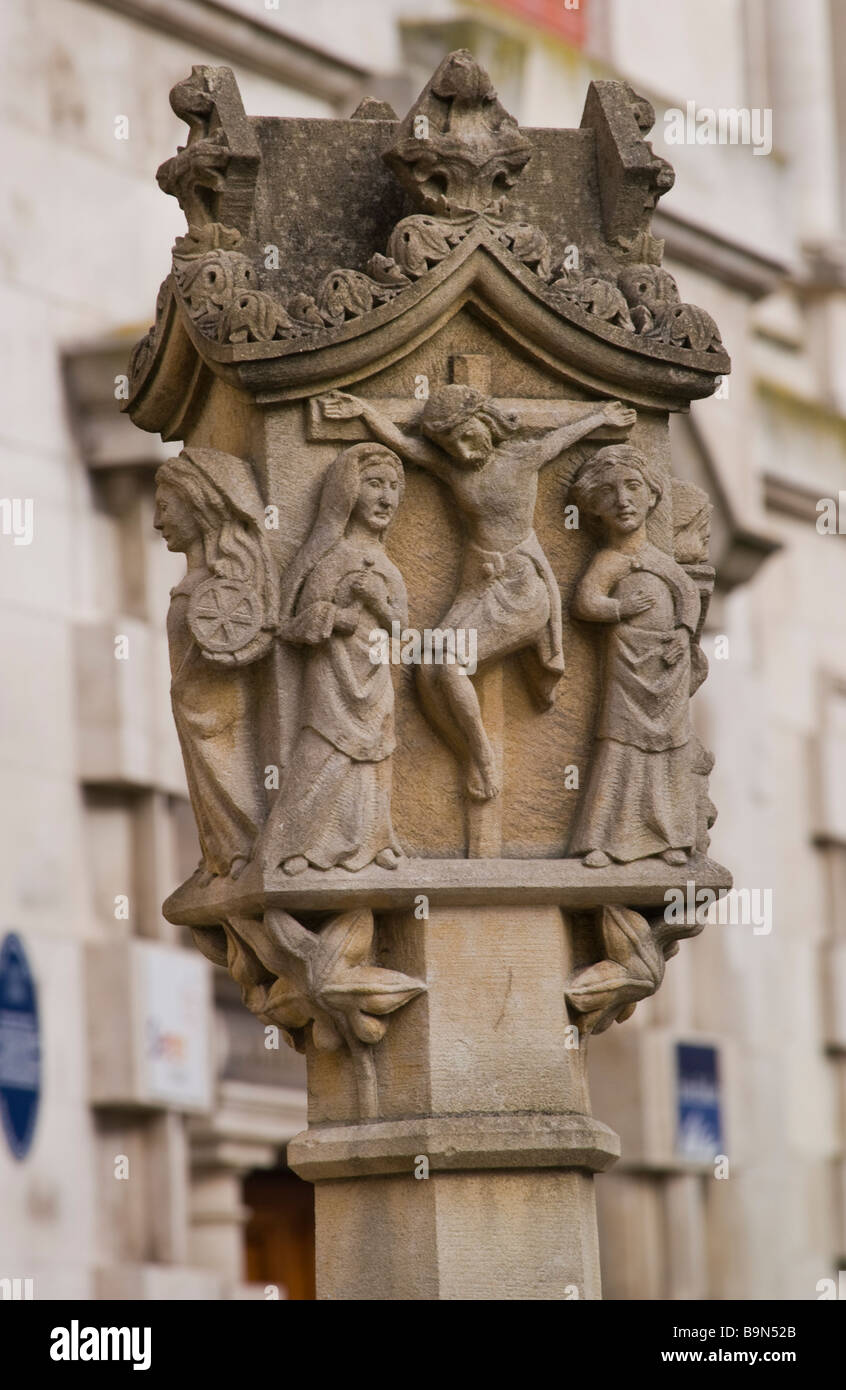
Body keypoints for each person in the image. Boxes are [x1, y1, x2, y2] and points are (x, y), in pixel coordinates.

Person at [321, 385, 634, 800]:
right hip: (477, 584)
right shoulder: (454, 469)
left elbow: (562, 436)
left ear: (485, 420)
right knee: (426, 667)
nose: (464, 450)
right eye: (451, 444)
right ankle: (466, 750)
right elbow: (404, 444)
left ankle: (484, 755)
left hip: (521, 588)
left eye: (467, 436)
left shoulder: (524, 457)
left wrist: (601, 418)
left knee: (450, 665)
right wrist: (363, 409)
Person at [255, 443, 407, 875]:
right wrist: (337, 617)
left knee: (374, 760)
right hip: (331, 677)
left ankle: (372, 840)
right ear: (348, 492)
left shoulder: (388, 567)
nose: (386, 498)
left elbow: (403, 630)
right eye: (374, 484)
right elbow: (293, 625)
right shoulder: (330, 557)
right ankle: (295, 844)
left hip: (375, 681)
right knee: (320, 755)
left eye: (393, 487)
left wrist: (378, 602)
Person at [567, 445, 702, 867]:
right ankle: (604, 840)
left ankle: (670, 836)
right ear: (594, 507)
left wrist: (682, 633)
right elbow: (585, 601)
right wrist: (619, 609)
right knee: (620, 748)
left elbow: (688, 594)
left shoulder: (659, 560)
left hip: (666, 669)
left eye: (632, 487)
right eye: (608, 492)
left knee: (668, 752)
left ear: (652, 495)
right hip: (627, 666)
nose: (623, 500)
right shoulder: (611, 560)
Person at [154, 448, 278, 885]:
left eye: (166, 508)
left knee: (230, 771)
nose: (157, 522)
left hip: (217, 709)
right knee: (204, 780)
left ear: (199, 506)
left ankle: (242, 849)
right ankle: (222, 854)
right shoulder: (198, 584)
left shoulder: (223, 585)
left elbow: (242, 640)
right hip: (192, 706)